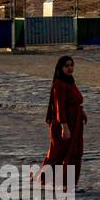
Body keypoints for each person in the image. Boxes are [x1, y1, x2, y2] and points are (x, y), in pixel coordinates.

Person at [40, 55, 86, 192]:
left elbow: (75, 100)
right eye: (66, 66)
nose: (70, 68)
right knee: (58, 154)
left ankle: (69, 183)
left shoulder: (70, 81)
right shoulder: (59, 84)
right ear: (60, 68)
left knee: (74, 152)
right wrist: (64, 126)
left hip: (75, 122)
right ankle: (50, 181)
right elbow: (59, 106)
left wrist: (82, 113)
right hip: (64, 124)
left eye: (71, 65)